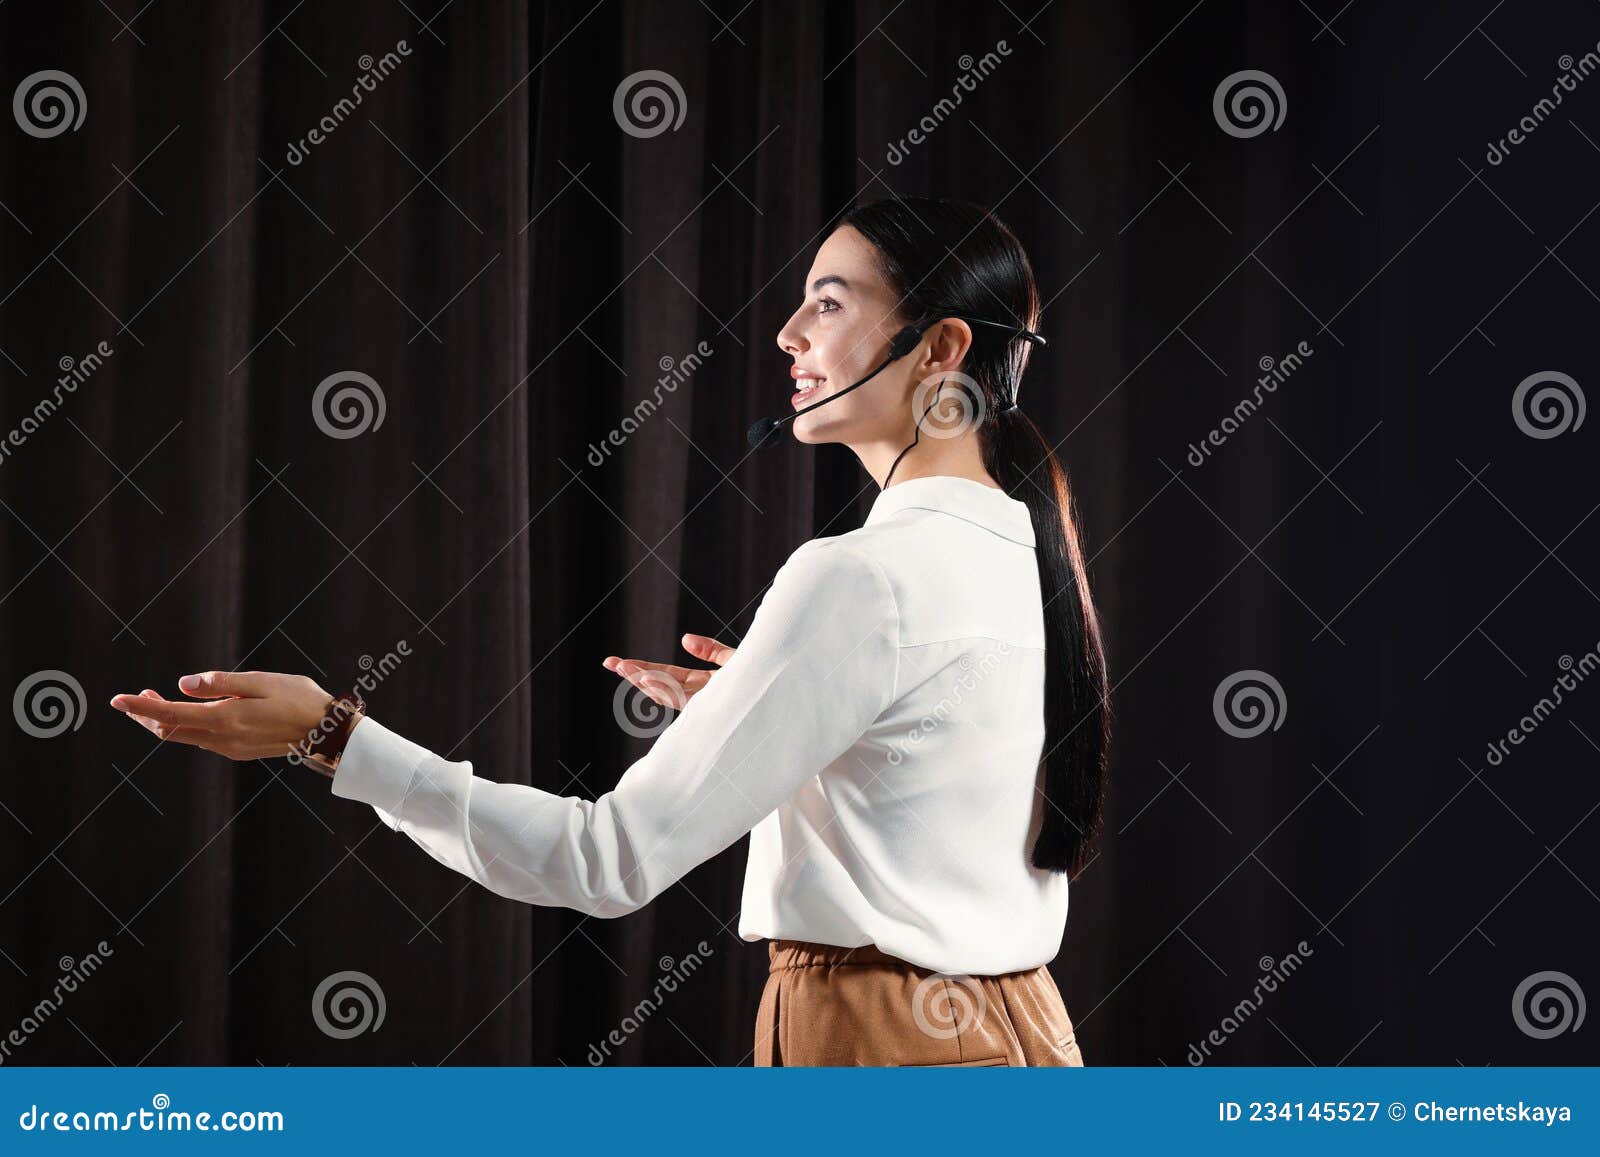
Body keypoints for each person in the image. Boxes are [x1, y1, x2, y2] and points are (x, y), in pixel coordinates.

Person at [110, 196, 1111, 1067]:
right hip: (1026, 1031)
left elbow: (602, 862)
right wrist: (790, 727)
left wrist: (330, 736)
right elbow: (934, 780)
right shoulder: (1028, 548)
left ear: (940, 348)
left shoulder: (856, 577)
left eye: (832, 302)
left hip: (883, 1050)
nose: (788, 334)